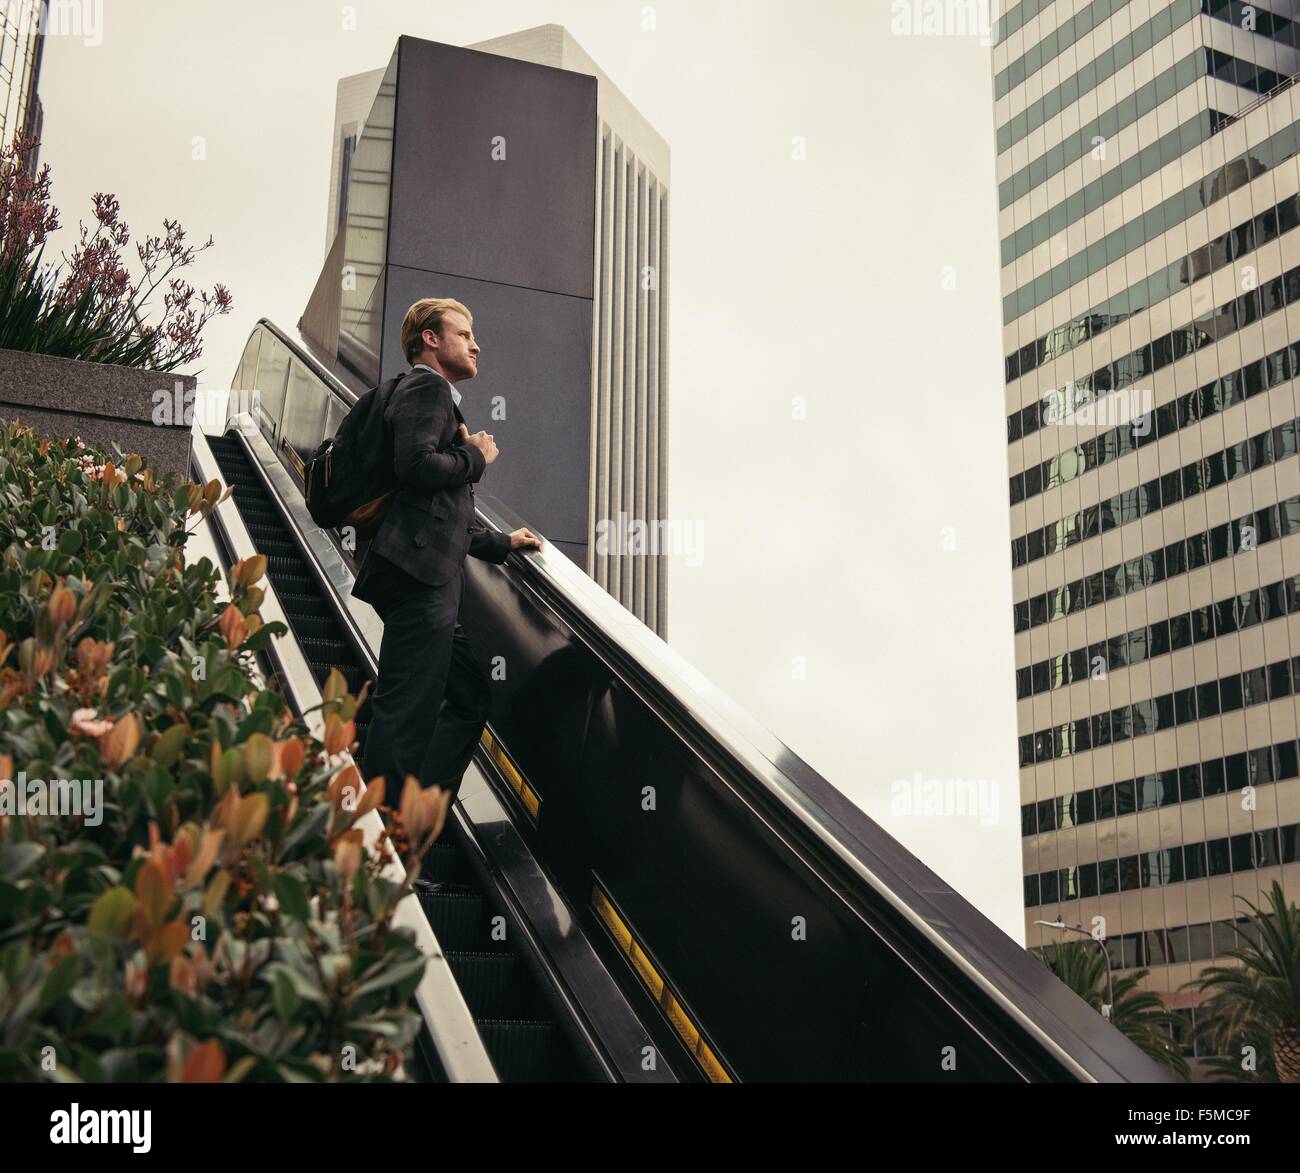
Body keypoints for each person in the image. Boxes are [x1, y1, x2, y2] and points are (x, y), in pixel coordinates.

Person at [354, 296, 540, 822]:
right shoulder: (428, 387)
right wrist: (475, 456)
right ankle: (380, 843)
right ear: (430, 340)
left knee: (467, 695)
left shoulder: (434, 396)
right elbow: (415, 467)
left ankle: (412, 825)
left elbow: (438, 511)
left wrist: (502, 543)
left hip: (423, 573)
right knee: (407, 708)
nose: (475, 343)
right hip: (418, 578)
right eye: (464, 333)